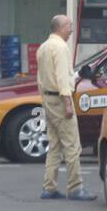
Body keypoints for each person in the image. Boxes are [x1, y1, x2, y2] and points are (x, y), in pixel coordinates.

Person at [36, 14, 94, 201]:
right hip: (61, 100)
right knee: (72, 146)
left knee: (54, 145)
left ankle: (49, 187)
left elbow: (40, 77)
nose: (71, 29)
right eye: (69, 26)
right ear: (60, 27)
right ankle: (75, 187)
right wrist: (68, 103)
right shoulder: (61, 48)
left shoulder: (44, 47)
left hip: (48, 98)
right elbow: (62, 77)